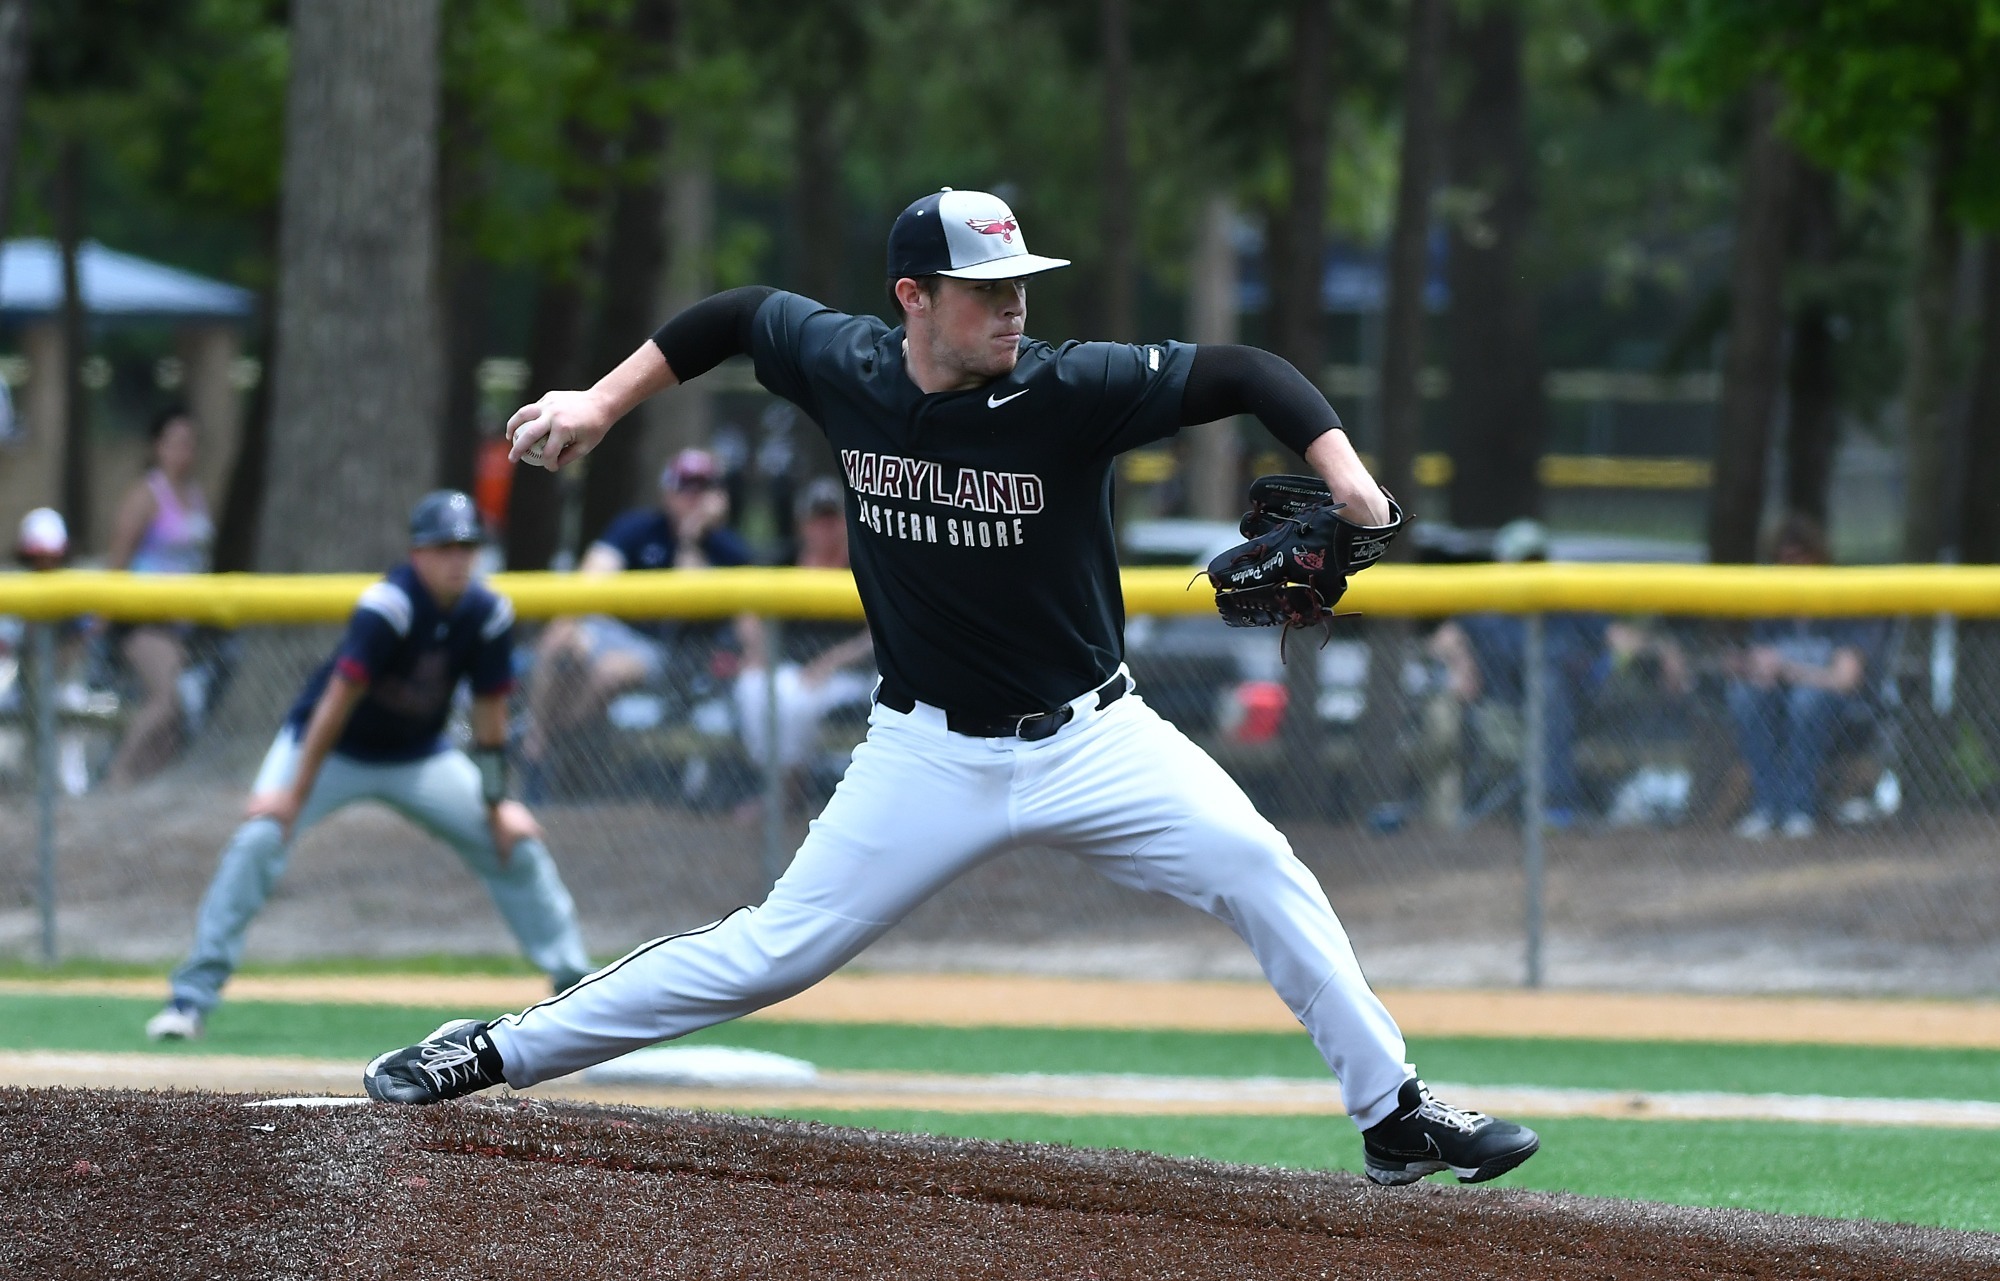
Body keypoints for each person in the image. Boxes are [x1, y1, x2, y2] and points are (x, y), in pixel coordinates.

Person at [364, 188, 1538, 1188]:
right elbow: (733, 316)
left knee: (1260, 870)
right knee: (773, 952)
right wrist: (599, 401)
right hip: (924, 751)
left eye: (1019, 284)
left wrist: (1351, 485)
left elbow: (1246, 373)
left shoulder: (1068, 390)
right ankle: (498, 1049)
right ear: (912, 298)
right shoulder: (846, 367)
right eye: (984, 290)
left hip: (1094, 738)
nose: (1013, 307)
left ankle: (1392, 1116)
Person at [144, 492, 593, 1042]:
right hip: (330, 748)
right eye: (444, 547)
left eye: (467, 547)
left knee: (516, 844)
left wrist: (499, 805)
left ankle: (578, 990)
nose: (457, 559)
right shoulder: (391, 606)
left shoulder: (486, 613)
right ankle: (190, 999)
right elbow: (335, 704)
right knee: (260, 837)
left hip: (417, 755)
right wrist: (292, 796)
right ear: (417, 553)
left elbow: (490, 715)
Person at [520, 447, 759, 789]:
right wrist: (571, 621)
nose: (692, 496)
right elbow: (591, 577)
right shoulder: (638, 526)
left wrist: (691, 536)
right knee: (561, 637)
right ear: (668, 491)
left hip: (671, 655)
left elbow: (685, 602)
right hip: (612, 628)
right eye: (685, 486)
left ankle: (543, 744)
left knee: (609, 671)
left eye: (703, 487)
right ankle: (537, 739)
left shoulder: (728, 549)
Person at [1425, 520, 1607, 828]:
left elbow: (1615, 637)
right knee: (1545, 689)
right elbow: (1441, 642)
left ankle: (1554, 806)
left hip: (1572, 713)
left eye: (1536, 562)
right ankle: (1549, 805)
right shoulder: (1484, 605)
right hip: (1501, 710)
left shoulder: (1563, 602)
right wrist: (1461, 662)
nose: (1529, 570)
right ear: (1502, 563)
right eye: (1522, 562)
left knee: (1550, 687)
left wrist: (1663, 649)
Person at [1724, 513, 1877, 841]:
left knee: (1806, 702)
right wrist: (1748, 667)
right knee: (1746, 696)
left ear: (1818, 559)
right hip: (1780, 699)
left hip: (1835, 705)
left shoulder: (1842, 601)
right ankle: (1766, 807)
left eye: (1798, 559)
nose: (1790, 568)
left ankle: (1799, 809)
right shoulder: (1773, 606)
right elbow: (1761, 661)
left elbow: (1845, 679)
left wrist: (1789, 670)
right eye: (1782, 561)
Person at [732, 476, 875, 809]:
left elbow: (876, 634)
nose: (825, 527)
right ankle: (780, 789)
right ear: (802, 523)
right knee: (752, 687)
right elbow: (746, 608)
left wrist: (830, 663)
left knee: (796, 701)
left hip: (847, 675)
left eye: (832, 518)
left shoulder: (864, 562)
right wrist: (757, 649)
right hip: (788, 666)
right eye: (817, 519)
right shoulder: (785, 558)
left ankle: (787, 794)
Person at [103, 407, 214, 785]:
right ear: (158, 447)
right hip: (145, 617)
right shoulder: (145, 495)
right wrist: (103, 616)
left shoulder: (196, 495)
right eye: (176, 443)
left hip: (183, 621)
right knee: (167, 699)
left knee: (178, 715)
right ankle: (118, 776)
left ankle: (148, 784)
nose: (185, 452)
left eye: (191, 443)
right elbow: (119, 558)